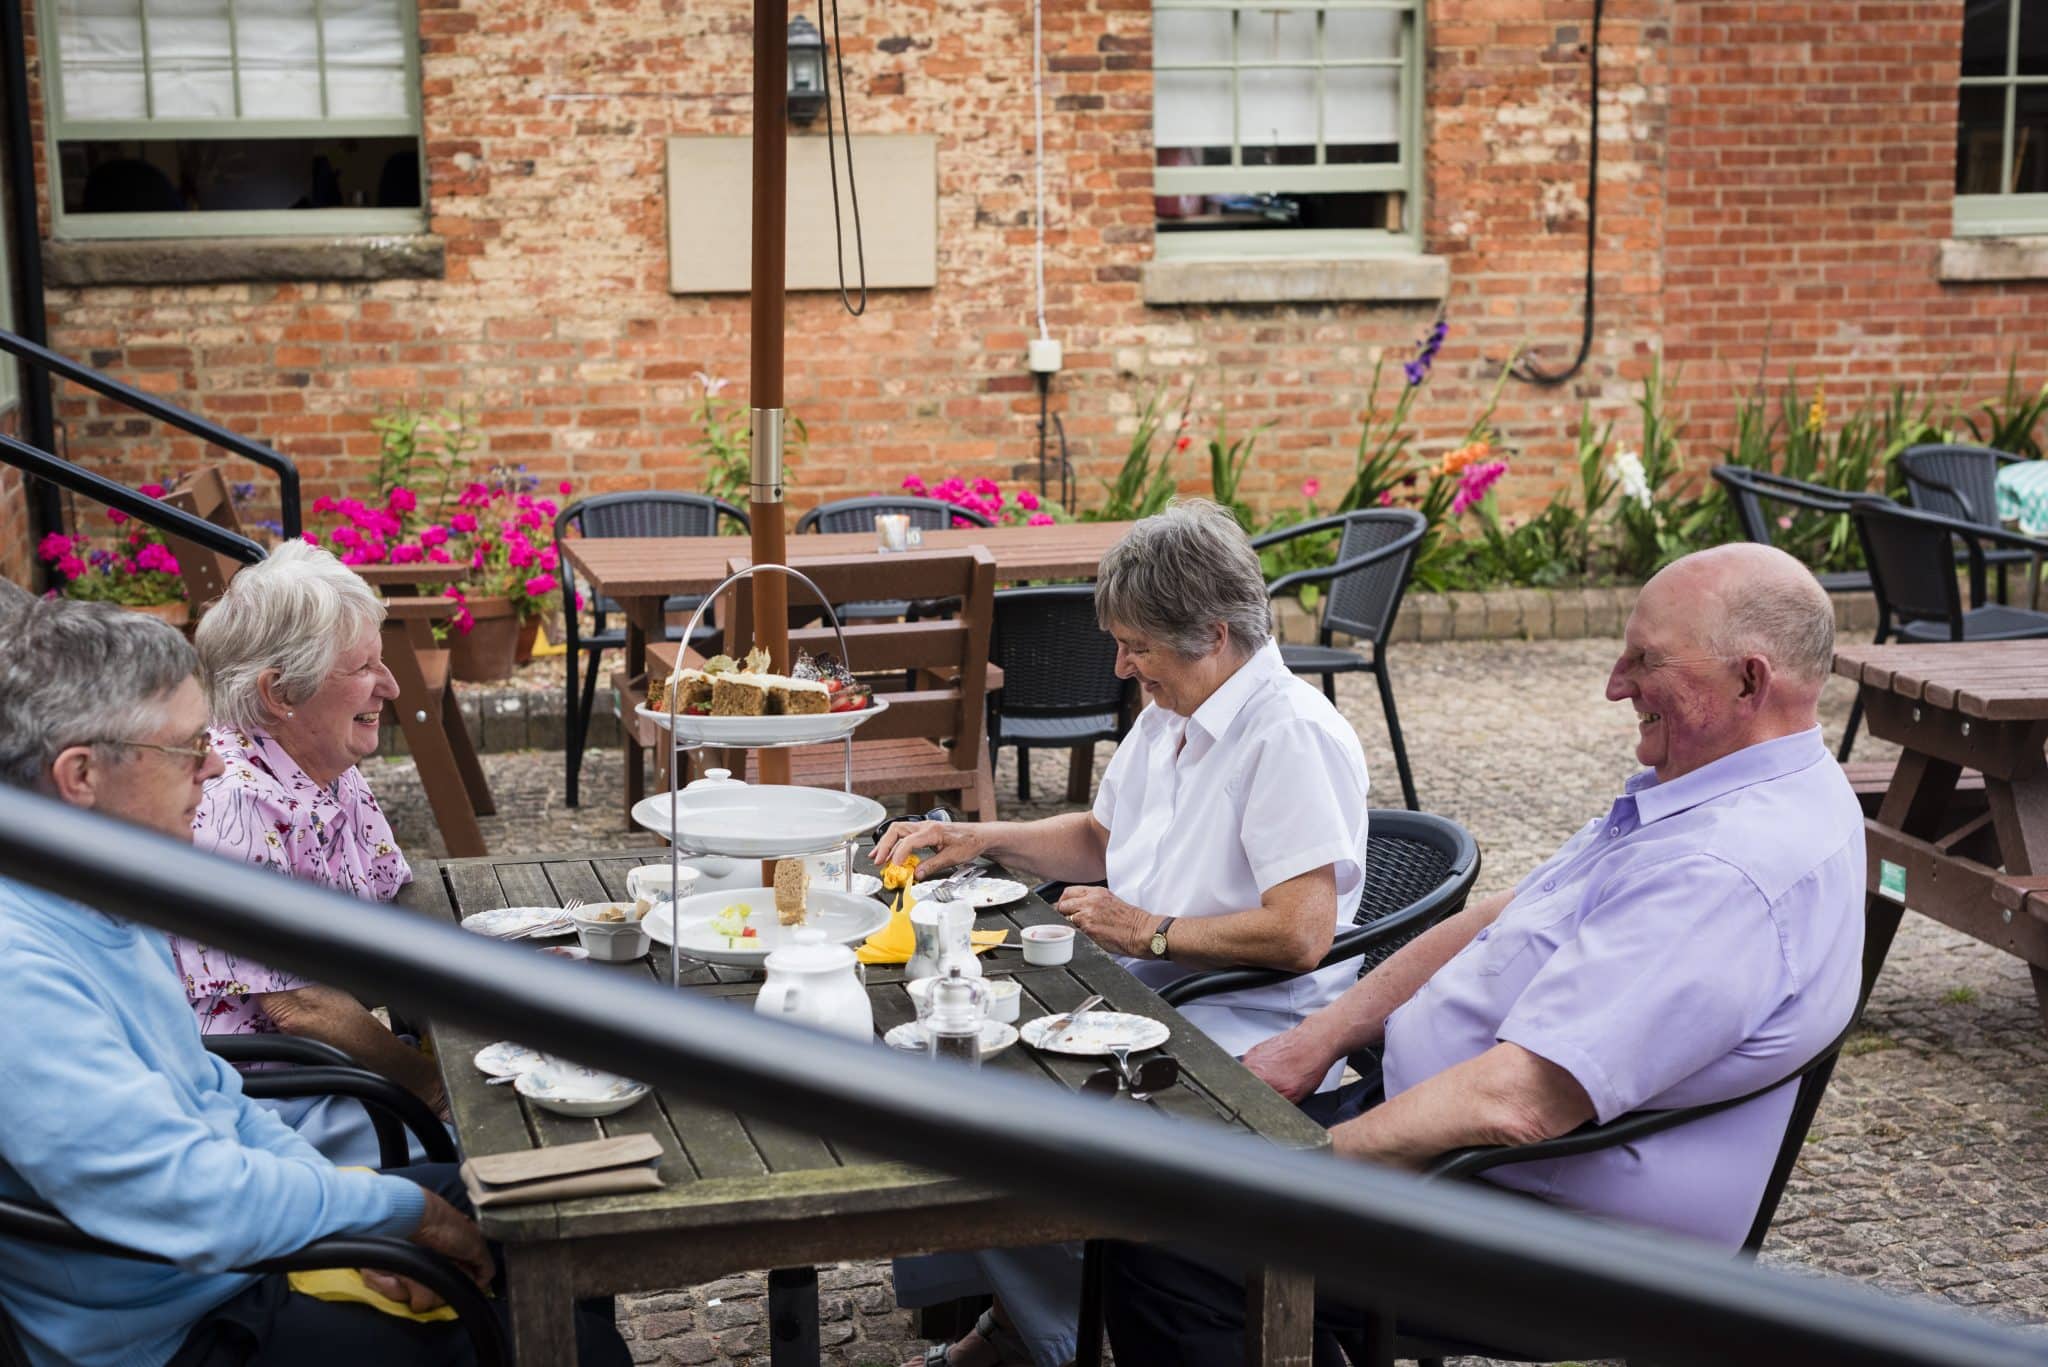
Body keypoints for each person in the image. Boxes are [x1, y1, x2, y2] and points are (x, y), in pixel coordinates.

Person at [1103, 542, 1867, 1365]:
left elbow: (1518, 1103)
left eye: (1646, 660)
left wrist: (1303, 1173)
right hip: (1457, 1152)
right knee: (1166, 1179)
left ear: (1750, 681)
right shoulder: (1724, 786)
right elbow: (1509, 910)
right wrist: (1317, 1037)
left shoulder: (1724, 869)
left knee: (1165, 1241)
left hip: (1546, 1229)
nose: (1615, 683)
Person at [0, 590, 628, 1367]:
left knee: (560, 1210)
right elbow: (185, 1194)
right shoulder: (21, 971)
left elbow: (213, 1096)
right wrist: (397, 1212)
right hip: (178, 1329)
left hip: (239, 1259)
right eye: (187, 747)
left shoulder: (99, 897)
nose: (216, 762)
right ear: (80, 775)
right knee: (570, 1343)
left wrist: (347, 1216)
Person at [877, 499, 1372, 1367]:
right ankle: (1032, 1320)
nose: (1120, 662)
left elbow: (1302, 934)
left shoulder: (1288, 734)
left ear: (1213, 633)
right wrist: (981, 838)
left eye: (1136, 644)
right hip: (1139, 1000)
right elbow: (1104, 842)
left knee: (988, 1100)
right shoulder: (1171, 712)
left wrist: (1152, 931)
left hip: (1239, 1031)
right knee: (934, 1049)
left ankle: (1046, 1331)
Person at [176, 540, 444, 1165]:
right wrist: (432, 1085)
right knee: (497, 1146)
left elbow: (393, 903)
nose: (393, 686)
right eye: (363, 669)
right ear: (279, 693)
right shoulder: (231, 802)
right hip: (273, 1102)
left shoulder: (323, 761)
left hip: (333, 1069)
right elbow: (300, 1004)